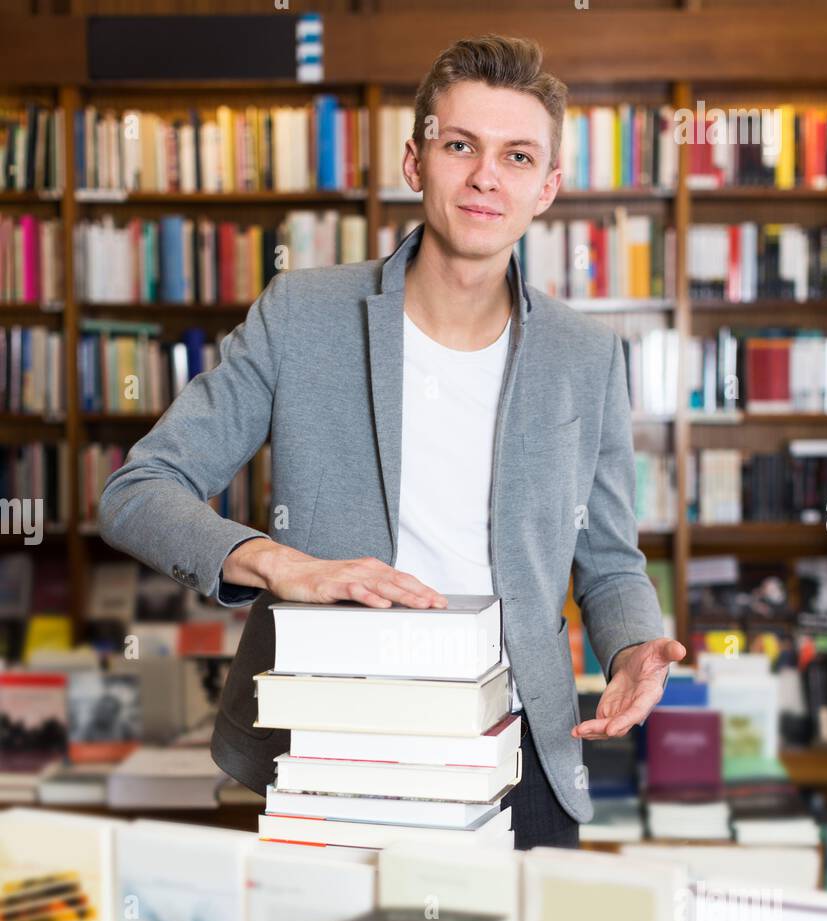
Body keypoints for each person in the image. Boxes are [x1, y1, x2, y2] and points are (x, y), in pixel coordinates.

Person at [99, 33, 685, 852]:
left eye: (518, 157)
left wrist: (631, 647)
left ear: (548, 186)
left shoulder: (586, 356)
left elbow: (612, 560)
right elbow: (136, 492)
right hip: (329, 749)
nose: (487, 176)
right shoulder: (301, 315)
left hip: (522, 760)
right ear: (416, 162)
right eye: (460, 147)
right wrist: (281, 564)